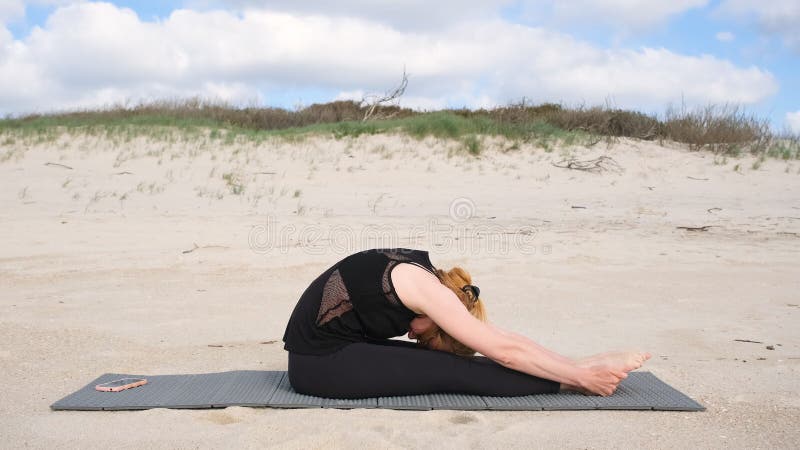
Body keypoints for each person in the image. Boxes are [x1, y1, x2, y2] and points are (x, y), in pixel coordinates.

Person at [282, 247, 650, 399]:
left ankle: (575, 369)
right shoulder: (429, 292)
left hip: (327, 353)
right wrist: (582, 380)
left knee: (452, 361)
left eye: (420, 336)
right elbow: (504, 352)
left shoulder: (423, 276)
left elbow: (499, 338)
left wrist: (576, 366)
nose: (412, 334)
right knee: (452, 370)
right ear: (444, 319)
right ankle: (573, 380)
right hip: (317, 366)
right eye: (422, 336)